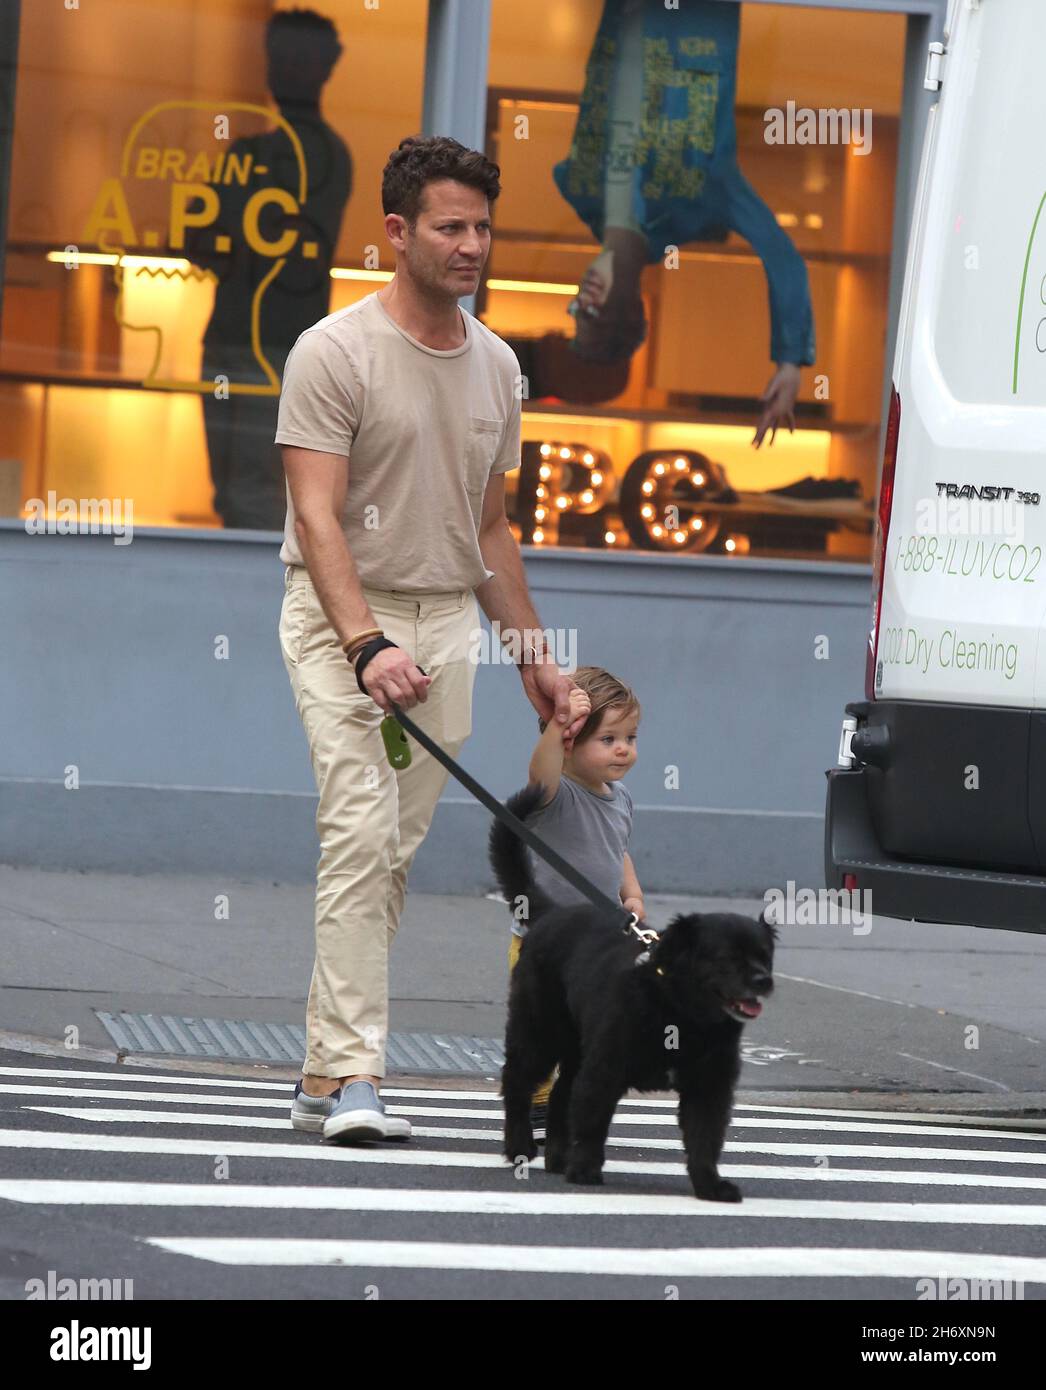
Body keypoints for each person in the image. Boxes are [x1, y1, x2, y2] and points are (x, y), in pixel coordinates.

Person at [276, 134, 587, 1143]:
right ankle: (357, 1074)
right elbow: (318, 518)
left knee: (390, 851)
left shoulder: (498, 368)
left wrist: (534, 659)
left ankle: (323, 1075)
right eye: (450, 227)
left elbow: (487, 528)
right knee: (360, 829)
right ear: (397, 233)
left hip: (448, 622)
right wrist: (367, 645)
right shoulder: (333, 352)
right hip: (342, 620)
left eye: (483, 227)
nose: (471, 245)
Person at [553, 0, 815, 447]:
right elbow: (785, 258)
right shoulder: (701, 202)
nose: (582, 301)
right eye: (596, 317)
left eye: (577, 313)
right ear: (631, 311)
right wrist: (790, 363)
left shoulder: (580, 186)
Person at [189, 7, 352, 529]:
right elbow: (205, 243)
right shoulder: (268, 151)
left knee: (255, 500)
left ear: (327, 67)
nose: (283, 71)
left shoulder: (319, 155)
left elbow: (214, 241)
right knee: (238, 496)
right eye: (278, 58)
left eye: (297, 59)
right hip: (244, 342)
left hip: (277, 349)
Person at [510, 667, 644, 1126]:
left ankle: (569, 1100)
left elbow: (618, 850)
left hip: (598, 946)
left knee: (591, 1023)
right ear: (570, 743)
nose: (624, 748)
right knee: (541, 1024)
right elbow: (539, 770)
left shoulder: (621, 797)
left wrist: (633, 896)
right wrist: (556, 726)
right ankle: (537, 1099)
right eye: (608, 739)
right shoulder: (554, 795)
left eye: (630, 736)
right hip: (544, 942)